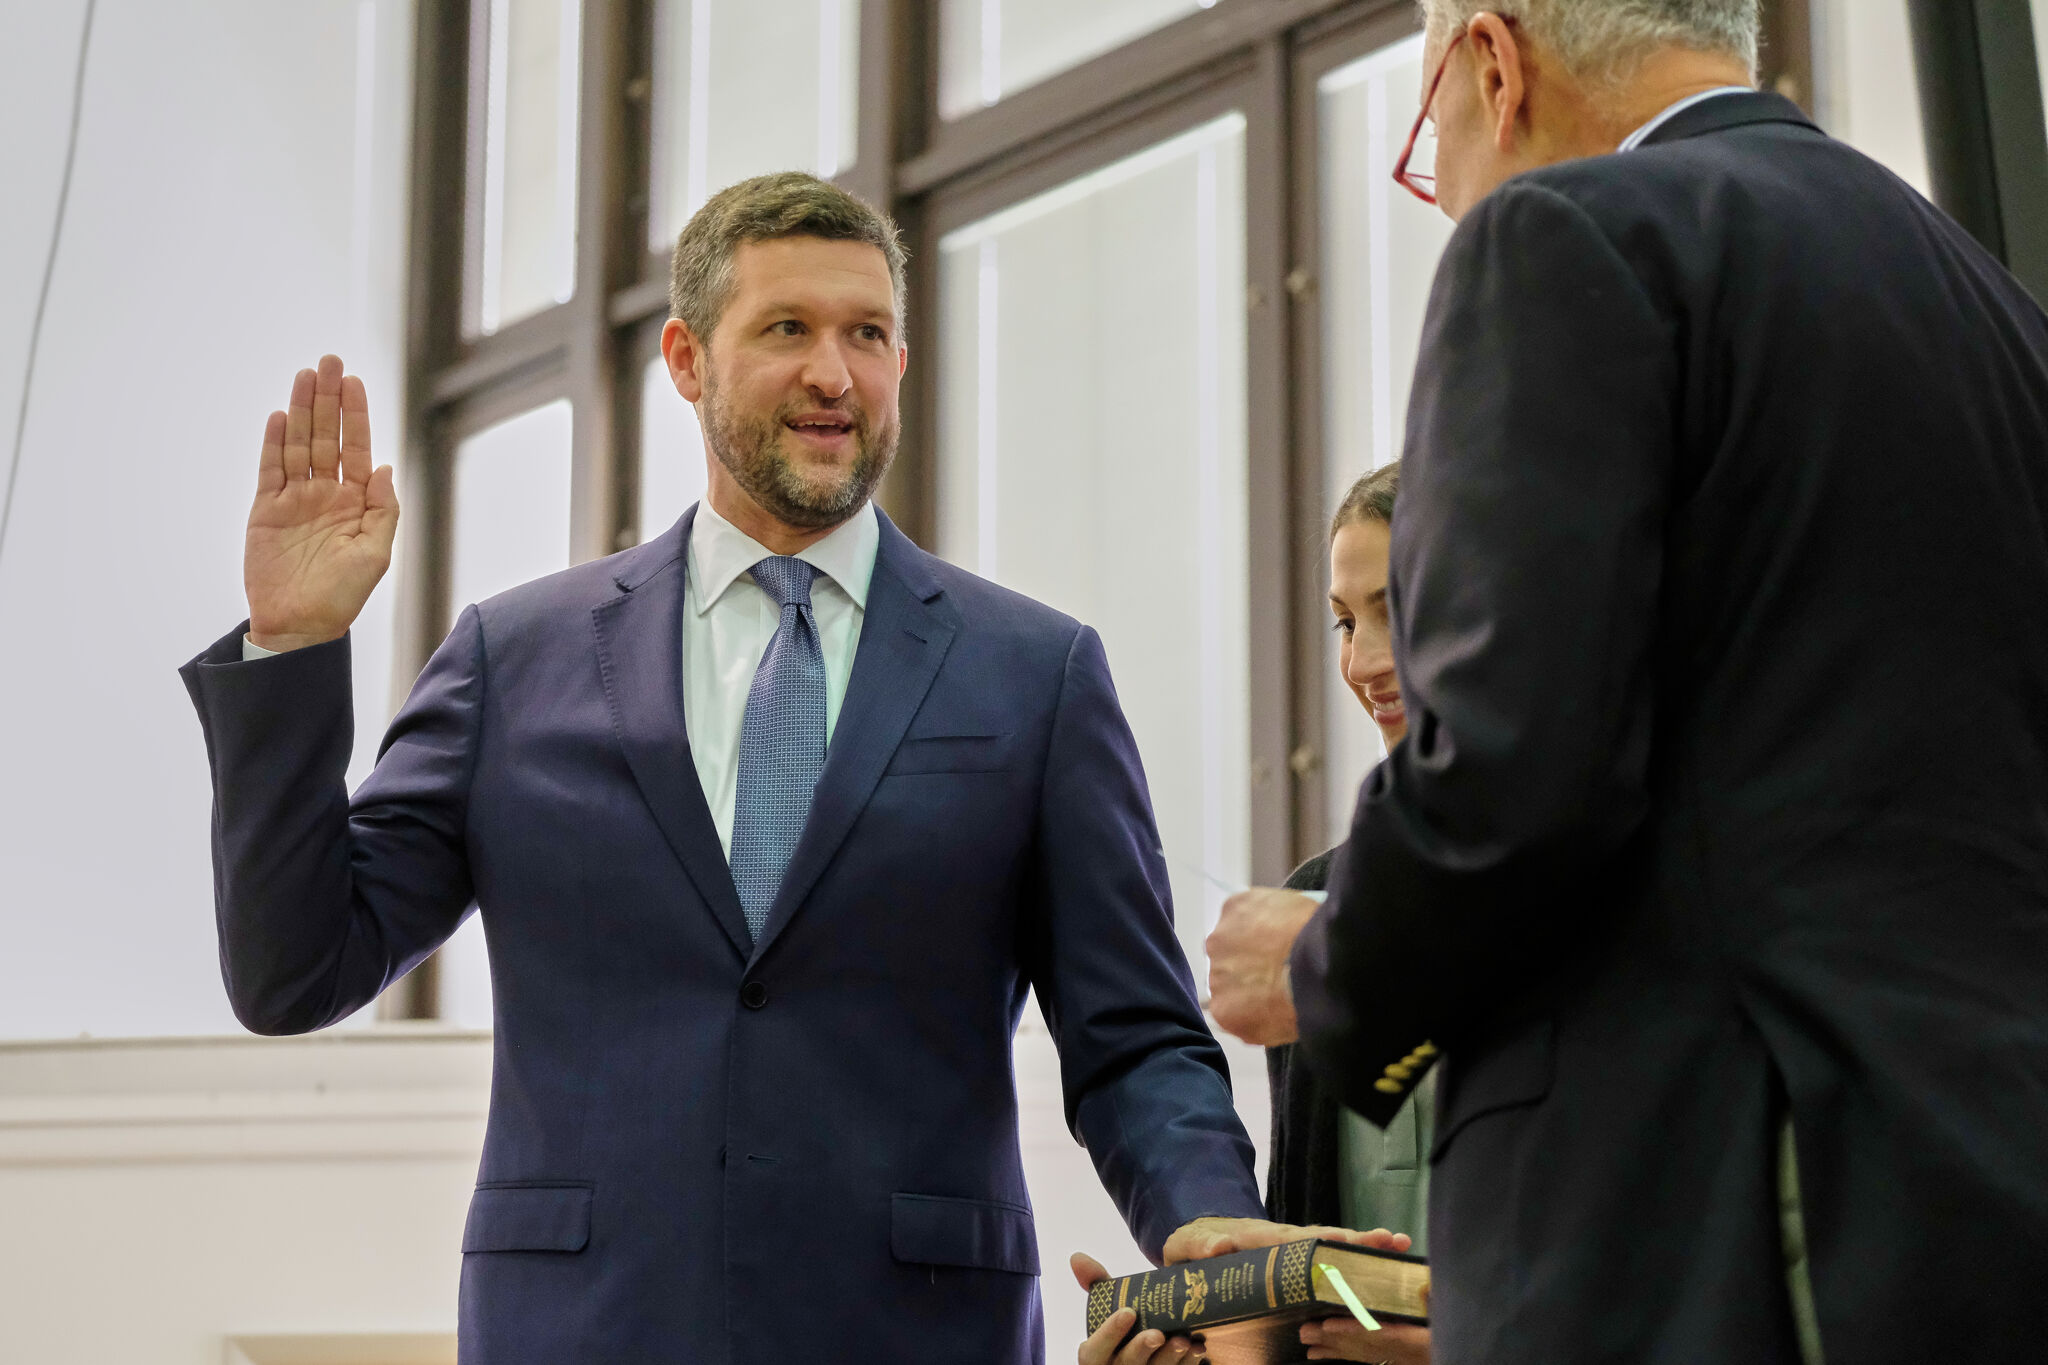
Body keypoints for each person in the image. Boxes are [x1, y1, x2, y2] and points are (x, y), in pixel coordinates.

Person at [178, 172, 1281, 1364]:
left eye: (868, 335)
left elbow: (1134, 1039)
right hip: (586, 1328)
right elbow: (292, 970)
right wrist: (294, 646)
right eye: (787, 330)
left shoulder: (1035, 673)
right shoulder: (514, 658)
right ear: (687, 360)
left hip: (916, 1331)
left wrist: (1218, 1245)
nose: (833, 373)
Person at [1204, 3, 2048, 1363]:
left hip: (1719, 1214)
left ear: (1495, 61)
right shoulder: (1995, 314)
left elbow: (1518, 764)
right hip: (1977, 1204)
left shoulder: (1569, 237)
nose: (1450, 199)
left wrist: (1327, 962)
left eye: (1434, 144)